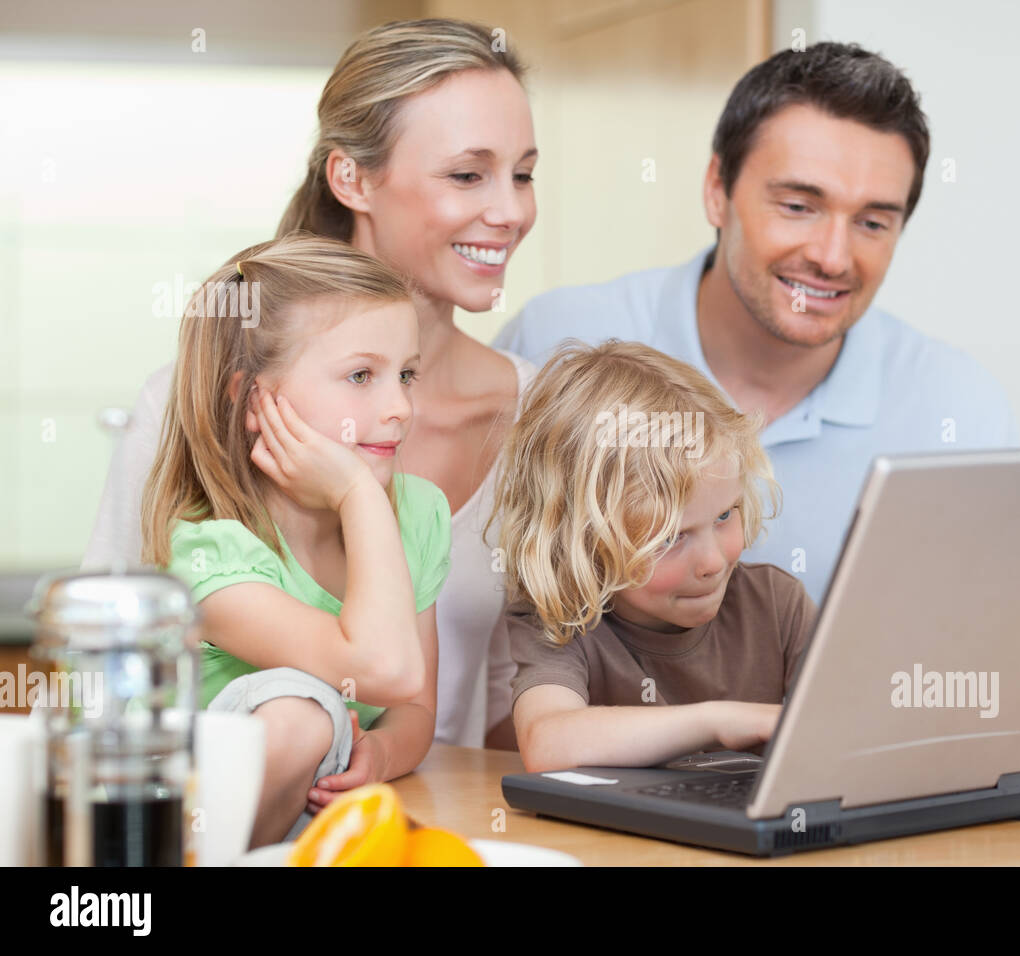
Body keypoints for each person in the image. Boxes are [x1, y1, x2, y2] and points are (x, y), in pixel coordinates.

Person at [83, 18, 538, 751]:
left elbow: (511, 689)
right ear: (350, 177)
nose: (512, 211)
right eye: (467, 173)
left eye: (523, 174)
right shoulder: (190, 401)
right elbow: (107, 662)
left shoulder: (543, 414)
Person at [495, 42, 1020, 604]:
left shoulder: (961, 413)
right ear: (717, 190)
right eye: (798, 206)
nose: (834, 257)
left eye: (871, 222)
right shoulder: (555, 341)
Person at [142, 235, 447, 845]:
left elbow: (411, 702)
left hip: (306, 816)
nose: (399, 407)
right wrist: (358, 495)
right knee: (303, 710)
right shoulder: (208, 552)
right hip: (182, 819)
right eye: (361, 375)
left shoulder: (416, 512)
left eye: (406, 374)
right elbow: (382, 668)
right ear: (252, 398)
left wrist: (381, 755)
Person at [489, 341, 818, 772]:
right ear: (584, 540)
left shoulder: (777, 603)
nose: (713, 562)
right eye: (668, 539)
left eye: (724, 515)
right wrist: (719, 721)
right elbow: (547, 744)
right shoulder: (561, 621)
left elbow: (859, 725)